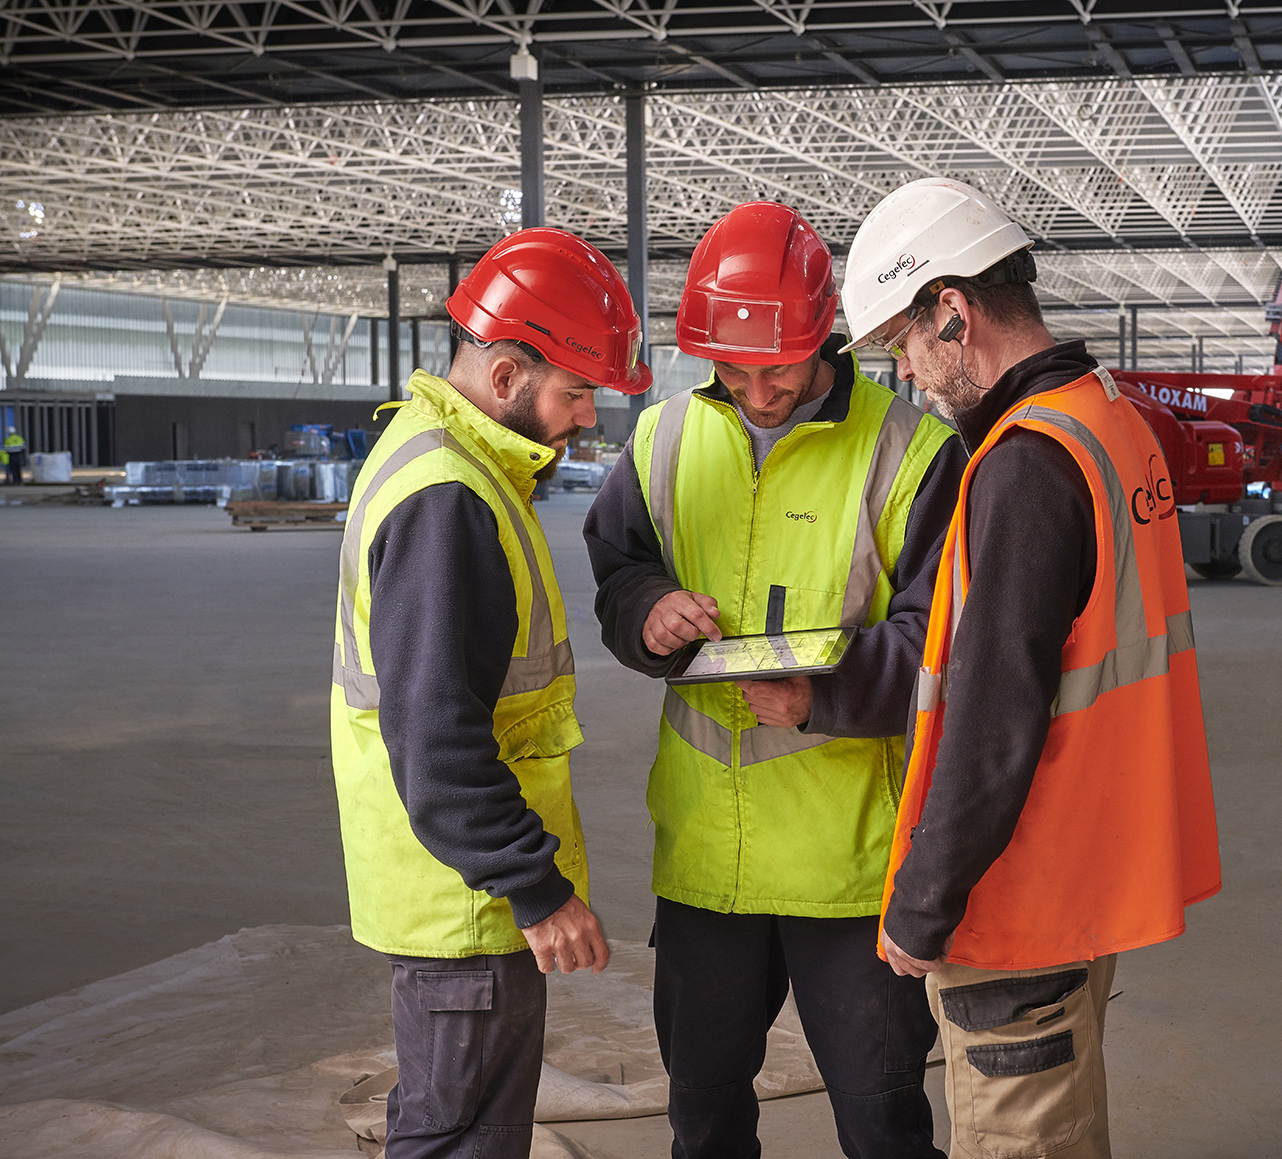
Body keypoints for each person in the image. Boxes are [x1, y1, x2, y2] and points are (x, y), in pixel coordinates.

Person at [842, 178, 1222, 1159]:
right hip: (1087, 878)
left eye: (905, 348)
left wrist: (922, 903)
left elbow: (992, 719)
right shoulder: (1106, 420)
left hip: (1021, 899)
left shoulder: (1022, 465)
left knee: (1023, 1138)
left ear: (954, 314)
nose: (911, 378)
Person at [585, 201, 964, 1159]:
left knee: (883, 1119)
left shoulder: (911, 450)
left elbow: (938, 641)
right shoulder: (662, 440)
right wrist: (647, 611)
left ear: (825, 334)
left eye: (781, 367)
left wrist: (819, 699)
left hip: (850, 864)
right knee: (704, 1113)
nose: (758, 390)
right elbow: (617, 570)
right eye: (736, 369)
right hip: (708, 861)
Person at [330, 228, 652, 1159]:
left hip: (456, 892)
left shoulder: (444, 458)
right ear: (507, 375)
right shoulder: (447, 498)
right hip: (466, 904)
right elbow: (437, 735)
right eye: (576, 391)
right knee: (460, 1138)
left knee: (461, 1127)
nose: (587, 416)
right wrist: (536, 888)